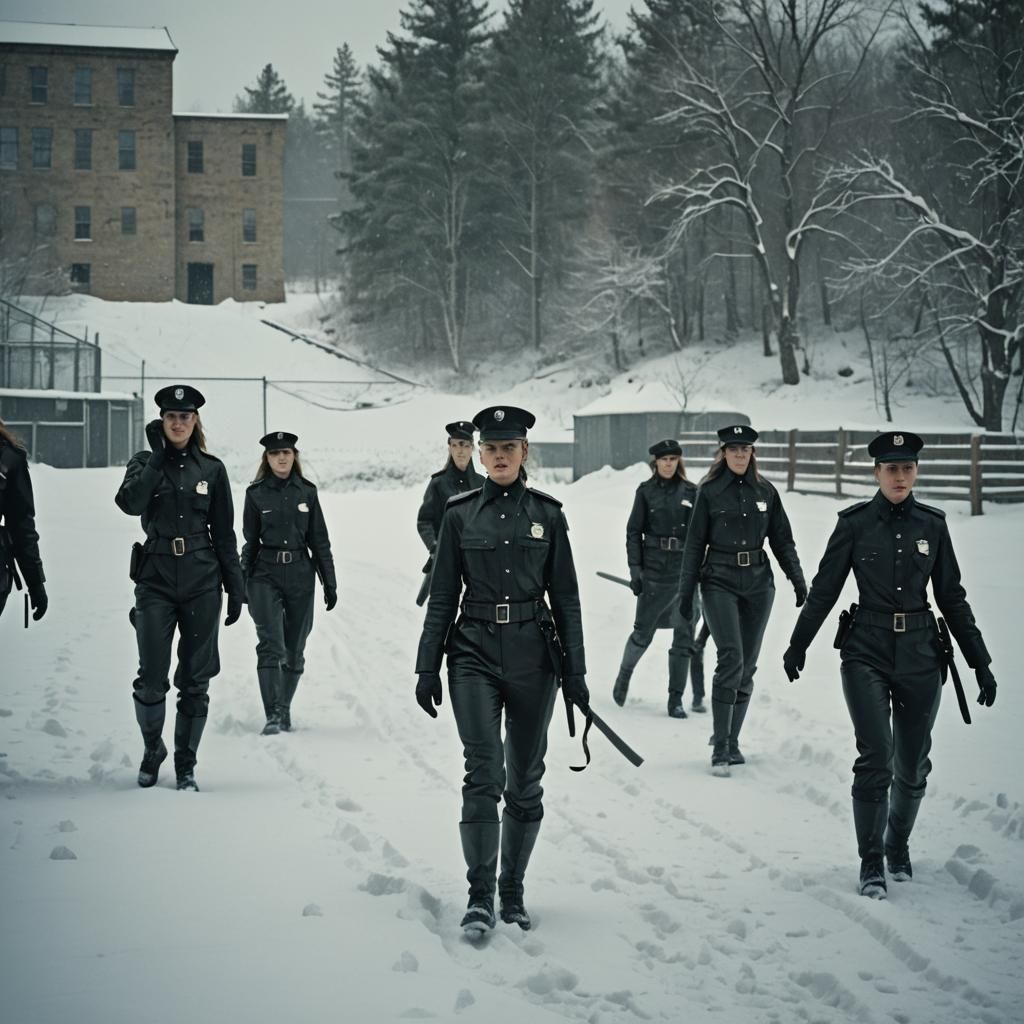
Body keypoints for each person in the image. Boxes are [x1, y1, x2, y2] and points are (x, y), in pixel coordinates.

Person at [783, 431, 997, 899]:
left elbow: (952, 600)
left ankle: (896, 842)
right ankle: (871, 862)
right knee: (875, 756)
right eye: (890, 469)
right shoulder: (854, 524)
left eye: (907, 468)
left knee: (913, 765)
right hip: (866, 651)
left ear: (916, 471)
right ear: (876, 473)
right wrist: (798, 643)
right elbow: (824, 590)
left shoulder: (933, 526)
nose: (899, 477)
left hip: (922, 654)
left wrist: (979, 661)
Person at [414, 405, 588, 937]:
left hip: (536, 656)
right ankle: (479, 895)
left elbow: (568, 599)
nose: (499, 456)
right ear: (480, 453)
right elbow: (443, 595)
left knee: (525, 779)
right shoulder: (459, 513)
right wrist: (427, 666)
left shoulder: (549, 515)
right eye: (491, 449)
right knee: (483, 769)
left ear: (524, 451)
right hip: (473, 654)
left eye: (508, 448)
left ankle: (512, 891)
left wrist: (576, 673)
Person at [115, 386, 244, 792]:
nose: (177, 423)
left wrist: (235, 586)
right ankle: (153, 749)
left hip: (203, 581)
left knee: (195, 677)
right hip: (154, 581)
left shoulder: (212, 469)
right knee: (152, 677)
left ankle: (186, 764)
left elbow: (225, 533)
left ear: (195, 421)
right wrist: (156, 459)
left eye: (185, 417)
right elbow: (129, 504)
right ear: (161, 419)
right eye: (170, 416)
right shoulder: (143, 463)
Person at [677, 424, 806, 776]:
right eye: (732, 449)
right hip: (718, 580)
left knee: (747, 666)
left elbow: (782, 541)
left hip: (759, 584)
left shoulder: (765, 491)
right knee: (731, 658)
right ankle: (719, 746)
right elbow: (693, 547)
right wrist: (686, 595)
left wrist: (797, 578)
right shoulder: (709, 491)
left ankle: (732, 740)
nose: (739, 455)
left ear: (752, 453)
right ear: (722, 453)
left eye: (745, 449)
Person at [240, 431, 337, 735]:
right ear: (266, 459)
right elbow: (249, 542)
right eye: (275, 453)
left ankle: (284, 708)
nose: (281, 458)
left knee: (295, 649)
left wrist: (329, 582)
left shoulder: (307, 492)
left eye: (287, 452)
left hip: (300, 574)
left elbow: (319, 540)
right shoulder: (255, 494)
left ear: (295, 456)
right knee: (271, 644)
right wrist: (241, 582)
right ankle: (273, 714)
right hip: (264, 574)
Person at [612, 439, 703, 717]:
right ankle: (624, 674)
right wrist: (636, 571)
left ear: (678, 462)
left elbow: (701, 535)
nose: (668, 464)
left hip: (683, 574)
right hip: (653, 574)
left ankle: (675, 699)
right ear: (655, 462)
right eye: (664, 460)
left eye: (673, 459)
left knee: (684, 636)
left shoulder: (691, 492)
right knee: (643, 633)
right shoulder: (646, 492)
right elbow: (633, 533)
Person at [415, 421, 484, 606]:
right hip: (446, 563)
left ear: (472, 449)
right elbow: (424, 521)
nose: (459, 451)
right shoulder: (438, 484)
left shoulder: (482, 484)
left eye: (463, 445)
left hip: (478, 566)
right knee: (442, 612)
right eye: (454, 445)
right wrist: (435, 547)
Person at [0, 421, 47, 622]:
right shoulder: (8, 458)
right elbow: (21, 526)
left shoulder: (8, 458)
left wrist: (35, 582)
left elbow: (21, 526)